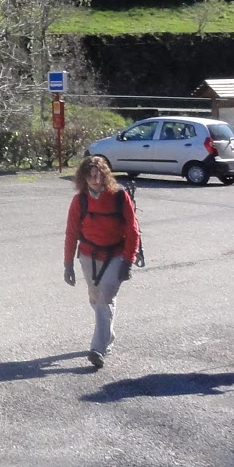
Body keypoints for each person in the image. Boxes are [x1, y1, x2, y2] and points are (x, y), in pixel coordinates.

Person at [63, 155, 140, 368]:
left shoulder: (118, 196)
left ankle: (98, 348)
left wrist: (128, 260)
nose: (95, 181)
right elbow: (71, 232)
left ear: (105, 175)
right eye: (90, 177)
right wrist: (68, 264)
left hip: (115, 255)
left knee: (105, 298)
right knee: (96, 298)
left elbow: (132, 230)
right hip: (88, 255)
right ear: (83, 178)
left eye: (98, 176)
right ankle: (108, 335)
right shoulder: (80, 200)